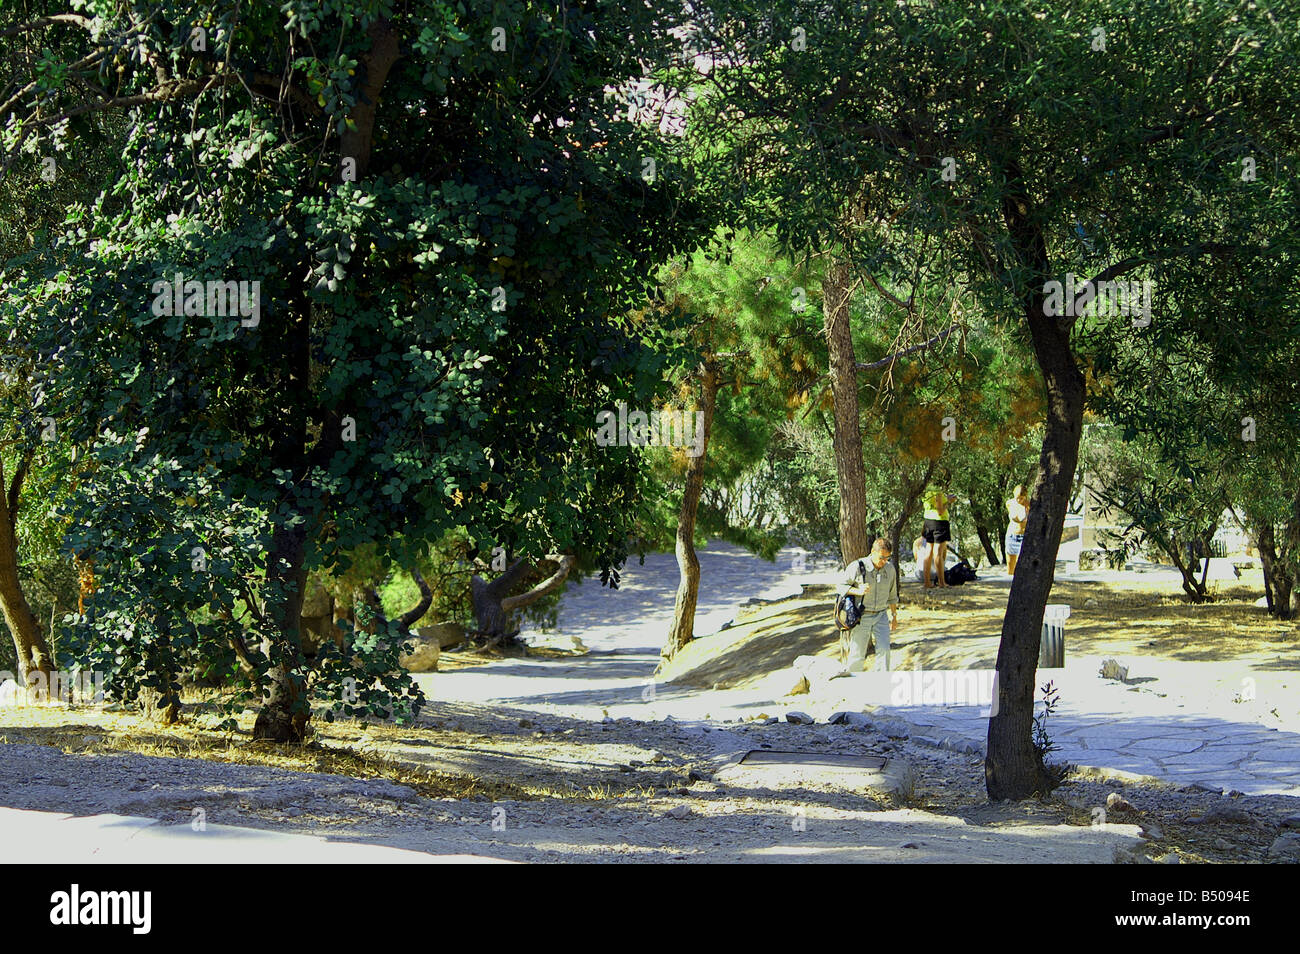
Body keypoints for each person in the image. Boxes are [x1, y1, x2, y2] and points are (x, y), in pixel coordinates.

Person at [838, 538, 899, 672]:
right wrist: (857, 591)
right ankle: (853, 686)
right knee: (857, 654)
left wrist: (894, 617)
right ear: (872, 552)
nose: (884, 562)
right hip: (862, 617)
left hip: (881, 615)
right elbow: (840, 586)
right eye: (881, 558)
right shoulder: (857, 566)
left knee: (884, 651)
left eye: (887, 558)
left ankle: (882, 684)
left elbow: (892, 596)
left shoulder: (890, 569)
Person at [921, 481, 958, 588]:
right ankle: (942, 582)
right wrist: (949, 501)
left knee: (929, 551)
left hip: (928, 521)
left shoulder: (927, 489)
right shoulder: (938, 491)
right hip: (940, 522)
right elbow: (940, 510)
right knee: (938, 553)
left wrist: (946, 497)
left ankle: (927, 582)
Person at [1006, 484, 1029, 576]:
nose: (1019, 500)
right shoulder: (1010, 503)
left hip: (1023, 537)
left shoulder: (1029, 505)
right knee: (1010, 565)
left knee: (1023, 564)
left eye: (1021, 498)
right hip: (1012, 536)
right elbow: (1014, 517)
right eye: (1017, 498)